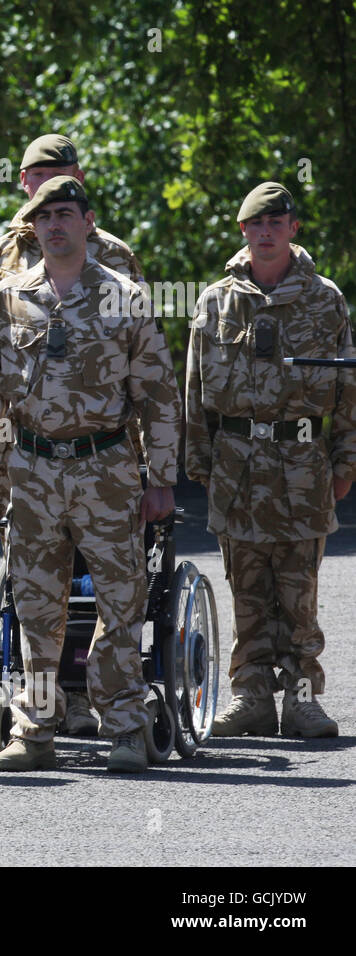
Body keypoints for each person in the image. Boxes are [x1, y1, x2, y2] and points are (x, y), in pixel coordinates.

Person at [0, 176, 181, 773]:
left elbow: (158, 394)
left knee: (121, 599)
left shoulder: (125, 298)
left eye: (65, 214)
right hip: (29, 468)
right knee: (37, 606)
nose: (54, 224)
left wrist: (161, 477)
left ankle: (126, 725)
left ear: (88, 222)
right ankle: (36, 729)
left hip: (106, 465)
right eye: (44, 216)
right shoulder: (6, 298)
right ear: (34, 227)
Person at [186, 182, 352, 739]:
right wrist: (198, 463)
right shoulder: (216, 300)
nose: (265, 233)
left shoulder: (325, 298)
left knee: (299, 591)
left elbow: (348, 388)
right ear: (243, 231)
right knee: (247, 590)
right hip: (235, 465)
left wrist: (346, 460)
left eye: (275, 223)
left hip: (303, 464)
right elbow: (194, 389)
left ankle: (303, 701)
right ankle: (252, 697)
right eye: (255, 225)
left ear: (292, 229)